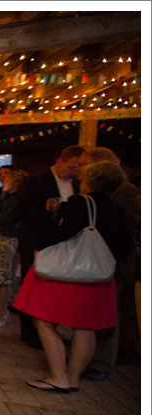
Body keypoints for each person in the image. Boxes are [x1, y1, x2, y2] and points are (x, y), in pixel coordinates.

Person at [12, 161, 131, 393]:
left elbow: (64, 233)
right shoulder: (115, 208)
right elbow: (124, 245)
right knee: (85, 327)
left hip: (68, 275)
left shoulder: (80, 202)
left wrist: (40, 245)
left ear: (89, 179)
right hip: (98, 277)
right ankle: (74, 379)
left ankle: (58, 376)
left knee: (43, 321)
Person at [75, 148, 141, 381]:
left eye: (82, 164)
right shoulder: (95, 192)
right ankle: (85, 357)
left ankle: (101, 361)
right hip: (96, 262)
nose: (78, 169)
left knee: (109, 313)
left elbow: (131, 232)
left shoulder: (126, 192)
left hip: (116, 263)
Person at [16, 145, 84, 348]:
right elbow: (21, 209)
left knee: (56, 288)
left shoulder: (78, 184)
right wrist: (51, 212)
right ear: (62, 160)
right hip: (37, 240)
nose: (73, 171)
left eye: (77, 168)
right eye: (72, 166)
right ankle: (29, 332)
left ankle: (50, 331)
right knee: (32, 286)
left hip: (66, 243)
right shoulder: (36, 181)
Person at [0, 170, 27, 327]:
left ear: (15, 183)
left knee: (4, 279)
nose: (3, 182)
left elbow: (2, 219)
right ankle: (1, 312)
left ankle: (1, 313)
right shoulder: (6, 198)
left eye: (6, 179)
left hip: (6, 241)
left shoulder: (17, 199)